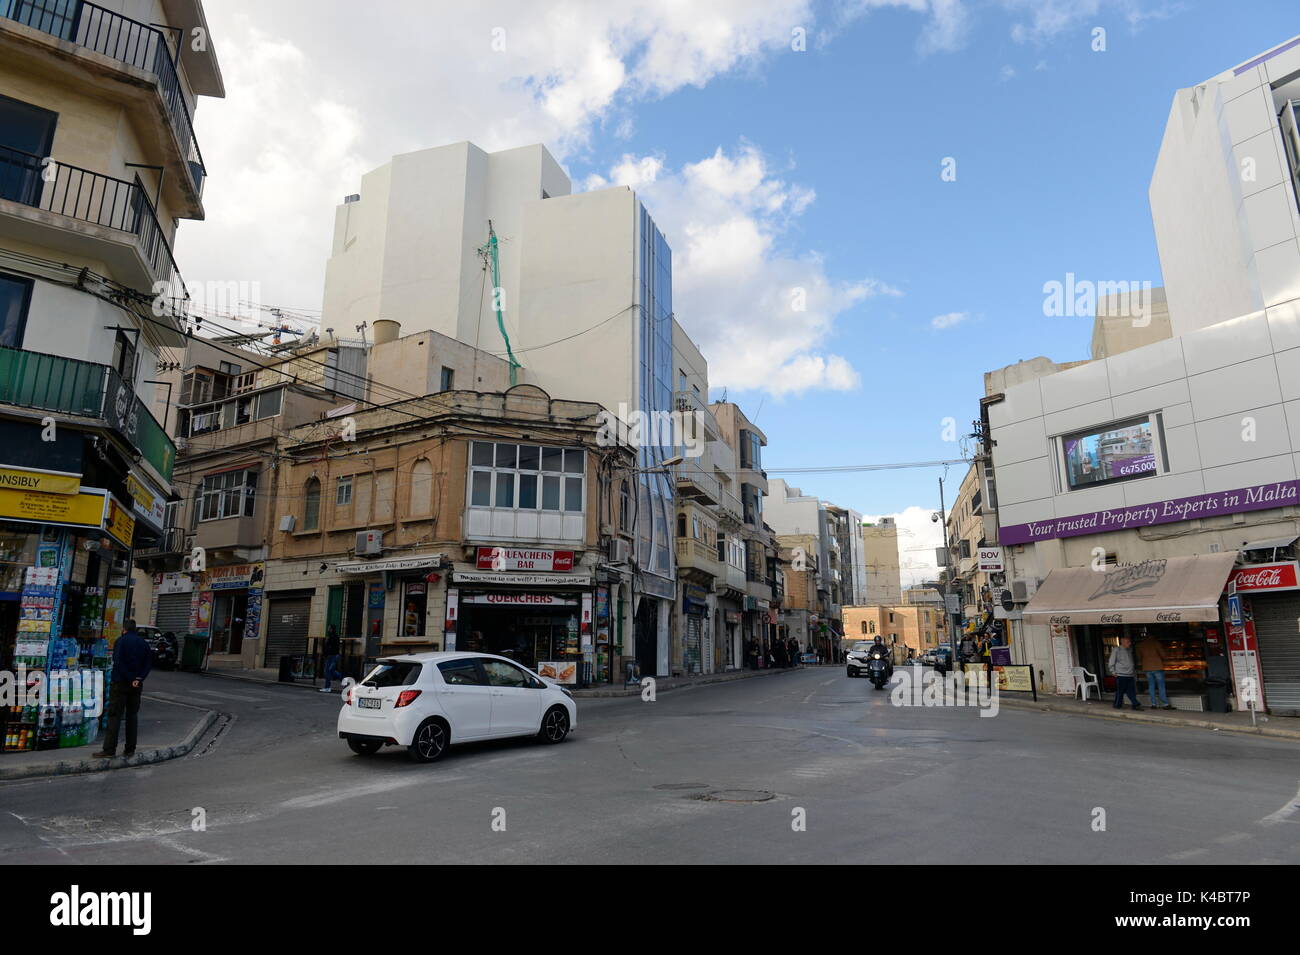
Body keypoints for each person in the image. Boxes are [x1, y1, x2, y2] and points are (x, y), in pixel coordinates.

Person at [94, 619, 152, 758]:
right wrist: (138, 678)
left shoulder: (121, 641)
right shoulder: (143, 644)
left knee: (114, 716)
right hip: (136, 685)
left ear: (124, 629)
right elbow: (148, 663)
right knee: (132, 716)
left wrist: (130, 678)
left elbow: (118, 661)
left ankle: (109, 749)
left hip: (120, 683)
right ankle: (130, 749)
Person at [1136, 635, 1173, 710]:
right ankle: (1165, 704)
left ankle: (1153, 704)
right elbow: (1163, 655)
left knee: (1151, 686)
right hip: (1157, 667)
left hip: (1147, 668)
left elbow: (1139, 657)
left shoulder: (1141, 645)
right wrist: (1165, 658)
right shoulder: (1156, 643)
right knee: (1161, 686)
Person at [1108, 635, 1143, 710]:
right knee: (1121, 691)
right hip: (1121, 674)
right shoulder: (1116, 650)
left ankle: (1134, 704)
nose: (1130, 643)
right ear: (1122, 642)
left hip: (1130, 674)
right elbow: (1111, 661)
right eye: (1128, 642)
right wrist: (1113, 671)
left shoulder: (1129, 650)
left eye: (1130, 642)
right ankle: (1119, 705)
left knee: (1131, 691)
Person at [320, 625, 342, 693]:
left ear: (332, 629)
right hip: (333, 656)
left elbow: (329, 647)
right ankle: (345, 680)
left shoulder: (332, 637)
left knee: (328, 671)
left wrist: (326, 654)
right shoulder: (333, 637)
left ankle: (327, 687)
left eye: (329, 628)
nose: (328, 629)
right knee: (331, 671)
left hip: (332, 656)